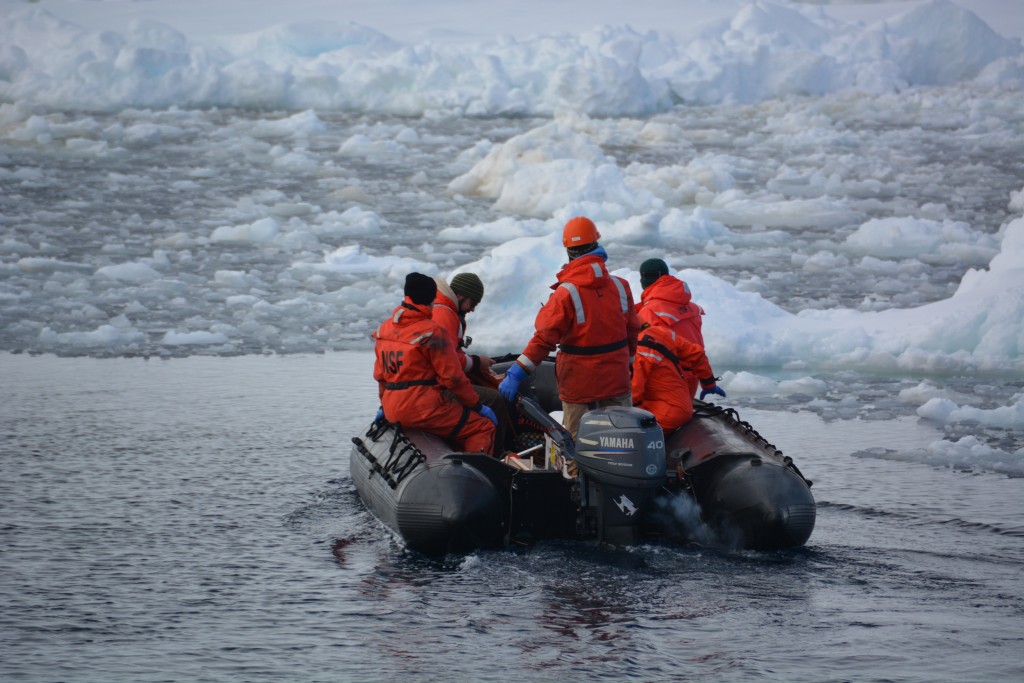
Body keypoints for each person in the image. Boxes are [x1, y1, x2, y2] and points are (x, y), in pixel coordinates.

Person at [498, 216, 640, 438]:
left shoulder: (566, 293)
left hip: (578, 382)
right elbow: (632, 331)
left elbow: (543, 339)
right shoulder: (621, 286)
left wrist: (517, 373)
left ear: (569, 251)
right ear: (596, 243)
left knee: (576, 441)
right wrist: (628, 364)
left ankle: (576, 473)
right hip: (616, 378)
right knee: (622, 438)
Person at [373, 272, 496, 455]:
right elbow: (453, 378)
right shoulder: (432, 332)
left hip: (393, 408)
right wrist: (478, 406)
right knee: (482, 426)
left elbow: (382, 377)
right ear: (430, 300)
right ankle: (472, 477)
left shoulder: (385, 329)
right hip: (423, 409)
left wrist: (385, 405)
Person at [432, 272, 515, 454]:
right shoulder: (444, 315)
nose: (473, 309)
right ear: (460, 296)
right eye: (473, 303)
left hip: (436, 381)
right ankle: (499, 455)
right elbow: (448, 361)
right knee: (495, 400)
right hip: (439, 386)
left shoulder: (442, 309)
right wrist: (478, 362)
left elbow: (450, 354)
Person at [632, 322, 725, 433]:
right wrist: (709, 384)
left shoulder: (637, 351)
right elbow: (697, 354)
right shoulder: (662, 332)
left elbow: (633, 393)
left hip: (663, 413)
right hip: (680, 407)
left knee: (613, 423)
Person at [636, 258, 705, 347]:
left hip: (671, 360)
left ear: (645, 278)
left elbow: (645, 350)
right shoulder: (692, 308)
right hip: (698, 359)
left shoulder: (649, 312)